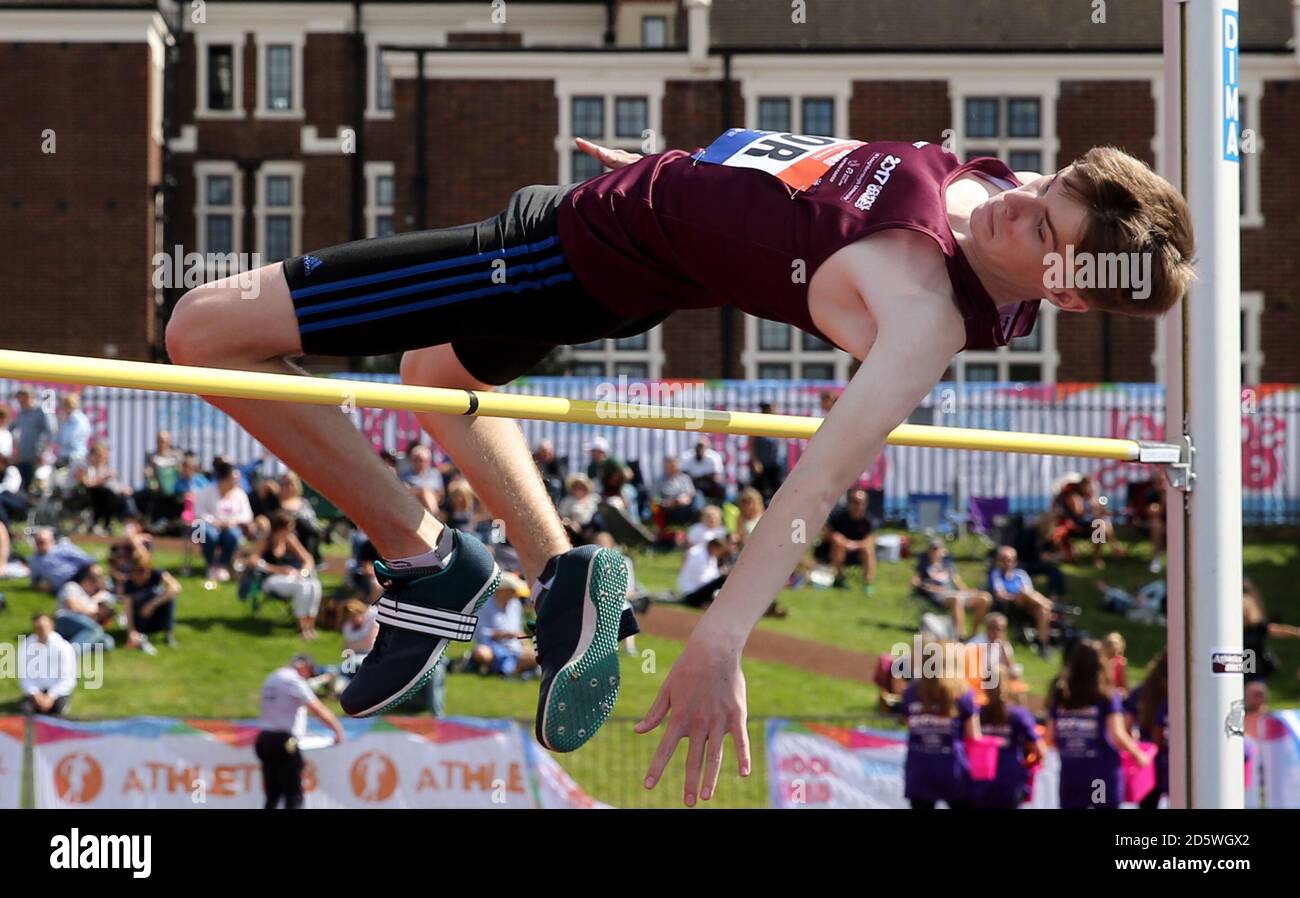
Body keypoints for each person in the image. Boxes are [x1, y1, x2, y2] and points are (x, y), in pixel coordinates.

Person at [166, 128, 1195, 798]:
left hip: (557, 252)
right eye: (1041, 191)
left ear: (1063, 293)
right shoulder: (992, 192)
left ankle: (423, 555)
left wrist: (720, 640)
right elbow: (807, 174)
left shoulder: (920, 313)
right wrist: (689, 167)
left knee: (203, 329)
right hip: (635, 241)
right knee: (437, 377)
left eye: (1037, 229)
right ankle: (560, 574)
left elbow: (818, 485)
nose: (1009, 208)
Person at [1046, 639, 1150, 809]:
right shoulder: (1106, 696)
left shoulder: (1061, 697)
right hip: (1100, 775)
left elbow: (1049, 737)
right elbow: (1117, 734)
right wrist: (1138, 754)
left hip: (1071, 773)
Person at [254, 654, 345, 809]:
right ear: (304, 667)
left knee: (272, 794)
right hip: (285, 741)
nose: (308, 677)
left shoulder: (272, 677)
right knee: (293, 793)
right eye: (309, 672)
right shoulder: (294, 681)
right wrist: (337, 730)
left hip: (264, 739)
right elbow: (317, 709)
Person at [901, 640, 980, 809]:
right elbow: (974, 735)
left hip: (919, 767)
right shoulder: (962, 693)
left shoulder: (910, 692)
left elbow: (909, 723)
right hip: (952, 767)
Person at [972, 667, 1045, 809]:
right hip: (1010, 780)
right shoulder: (1018, 715)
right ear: (1007, 685)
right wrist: (1027, 768)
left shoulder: (976, 715)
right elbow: (1040, 751)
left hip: (980, 783)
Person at [254, 510, 323, 639]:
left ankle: (310, 626)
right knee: (303, 587)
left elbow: (308, 559)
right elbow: (253, 561)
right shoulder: (266, 540)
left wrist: (303, 572)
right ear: (280, 528)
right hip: (270, 579)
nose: (292, 530)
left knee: (315, 584)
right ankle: (301, 628)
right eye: (289, 527)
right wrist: (278, 569)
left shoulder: (289, 539)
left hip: (291, 577)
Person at [912, 539, 992, 639]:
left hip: (953, 593)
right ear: (928, 551)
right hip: (938, 596)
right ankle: (960, 636)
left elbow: (958, 583)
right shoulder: (923, 565)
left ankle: (974, 634)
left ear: (943, 551)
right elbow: (915, 582)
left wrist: (968, 591)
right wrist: (926, 586)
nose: (935, 552)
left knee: (985, 598)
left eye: (938, 549)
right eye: (933, 549)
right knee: (957, 599)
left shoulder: (948, 565)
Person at [193, 458, 254, 581]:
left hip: (231, 527)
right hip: (208, 525)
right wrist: (213, 522)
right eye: (234, 479)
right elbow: (198, 511)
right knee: (206, 534)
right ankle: (210, 565)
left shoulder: (240, 494)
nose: (237, 482)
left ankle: (222, 566)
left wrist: (233, 522)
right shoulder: (207, 491)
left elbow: (247, 515)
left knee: (232, 536)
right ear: (224, 478)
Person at [465, 573, 537, 677]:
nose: (515, 594)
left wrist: (527, 645)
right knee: (482, 654)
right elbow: (480, 633)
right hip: (492, 647)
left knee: (537, 655)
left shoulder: (515, 605)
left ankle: (506, 670)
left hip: (514, 649)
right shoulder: (483, 605)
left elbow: (519, 632)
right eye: (512, 591)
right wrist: (503, 635)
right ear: (502, 591)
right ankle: (513, 670)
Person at [987, 545, 1054, 654]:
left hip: (1028, 606)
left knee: (1043, 610)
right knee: (1024, 594)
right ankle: (1048, 603)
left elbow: (1030, 594)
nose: (1007, 562)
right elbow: (1001, 595)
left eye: (1010, 559)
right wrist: (1017, 595)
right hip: (1008, 606)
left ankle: (1042, 644)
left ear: (1015, 561)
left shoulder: (1021, 574)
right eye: (1004, 559)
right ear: (999, 560)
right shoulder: (996, 574)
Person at [1125, 648, 1168, 810]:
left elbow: (1126, 726)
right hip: (1171, 757)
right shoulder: (1181, 693)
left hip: (1146, 757)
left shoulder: (1140, 692)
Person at [816, 487, 877, 591]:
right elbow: (828, 535)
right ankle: (840, 579)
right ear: (849, 502)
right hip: (833, 551)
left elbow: (870, 540)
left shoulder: (869, 520)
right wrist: (844, 543)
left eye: (861, 503)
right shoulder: (838, 516)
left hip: (857, 552)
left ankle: (868, 583)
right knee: (837, 543)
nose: (858, 506)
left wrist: (853, 545)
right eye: (855, 502)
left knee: (868, 549)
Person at [120, 547, 181, 650]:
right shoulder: (129, 584)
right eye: (135, 570)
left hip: (155, 614)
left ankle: (168, 633)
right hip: (140, 620)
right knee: (150, 594)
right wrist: (131, 631)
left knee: (167, 596)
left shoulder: (156, 573)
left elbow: (176, 587)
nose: (139, 574)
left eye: (142, 570)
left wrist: (153, 604)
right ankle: (141, 635)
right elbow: (128, 609)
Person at [18, 613, 78, 716]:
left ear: (52, 626)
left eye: (44, 627)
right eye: (38, 627)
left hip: (58, 692)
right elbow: (24, 676)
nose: (41, 631)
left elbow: (68, 678)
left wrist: (51, 696)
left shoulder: (64, 647)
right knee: (25, 712)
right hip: (36, 692)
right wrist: (35, 694)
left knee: (58, 713)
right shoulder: (26, 646)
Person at [1242, 576, 1300, 682]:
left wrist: (1296, 632)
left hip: (1256, 669)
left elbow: (1279, 630)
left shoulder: (1258, 627)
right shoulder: (1235, 630)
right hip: (1239, 668)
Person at [54, 562, 117, 650]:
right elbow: (73, 607)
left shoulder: (90, 598)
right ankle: (71, 654)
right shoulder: (72, 586)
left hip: (84, 626)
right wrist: (94, 611)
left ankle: (71, 645)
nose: (96, 589)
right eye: (95, 586)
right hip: (65, 619)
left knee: (107, 642)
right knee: (95, 630)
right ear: (88, 581)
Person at [10, 388, 55, 493]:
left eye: (23, 399)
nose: (21, 402)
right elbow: (10, 429)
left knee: (37, 486)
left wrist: (44, 453)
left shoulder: (41, 412)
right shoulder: (21, 414)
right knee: (24, 485)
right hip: (23, 456)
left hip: (37, 456)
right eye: (19, 400)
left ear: (31, 398)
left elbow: (50, 432)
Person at [27, 527, 93, 595]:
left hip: (78, 575)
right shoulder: (34, 560)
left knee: (92, 571)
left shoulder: (63, 548)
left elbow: (87, 560)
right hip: (63, 585)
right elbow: (35, 582)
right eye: (38, 542)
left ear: (51, 540)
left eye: (43, 542)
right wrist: (45, 588)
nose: (40, 544)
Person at [747, 402, 787, 504]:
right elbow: (751, 444)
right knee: (760, 490)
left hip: (775, 463)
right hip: (762, 463)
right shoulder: (758, 424)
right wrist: (755, 461)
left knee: (778, 489)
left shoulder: (778, 423)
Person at [53, 393, 93, 470]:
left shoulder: (79, 421)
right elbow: (56, 440)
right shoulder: (66, 420)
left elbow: (68, 440)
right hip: (64, 456)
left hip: (75, 458)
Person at [655, 455, 697, 525]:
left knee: (697, 499)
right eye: (670, 467)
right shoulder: (659, 481)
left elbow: (691, 493)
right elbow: (655, 498)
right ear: (665, 467)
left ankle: (690, 522)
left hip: (684, 504)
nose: (673, 469)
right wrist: (666, 503)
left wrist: (685, 499)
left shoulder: (685, 478)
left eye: (674, 466)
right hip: (668, 507)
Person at [680, 437, 725, 502]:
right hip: (692, 482)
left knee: (721, 487)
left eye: (702, 447)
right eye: (698, 447)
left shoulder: (714, 457)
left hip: (708, 481)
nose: (700, 450)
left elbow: (717, 475)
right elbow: (683, 474)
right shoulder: (687, 456)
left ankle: (719, 506)